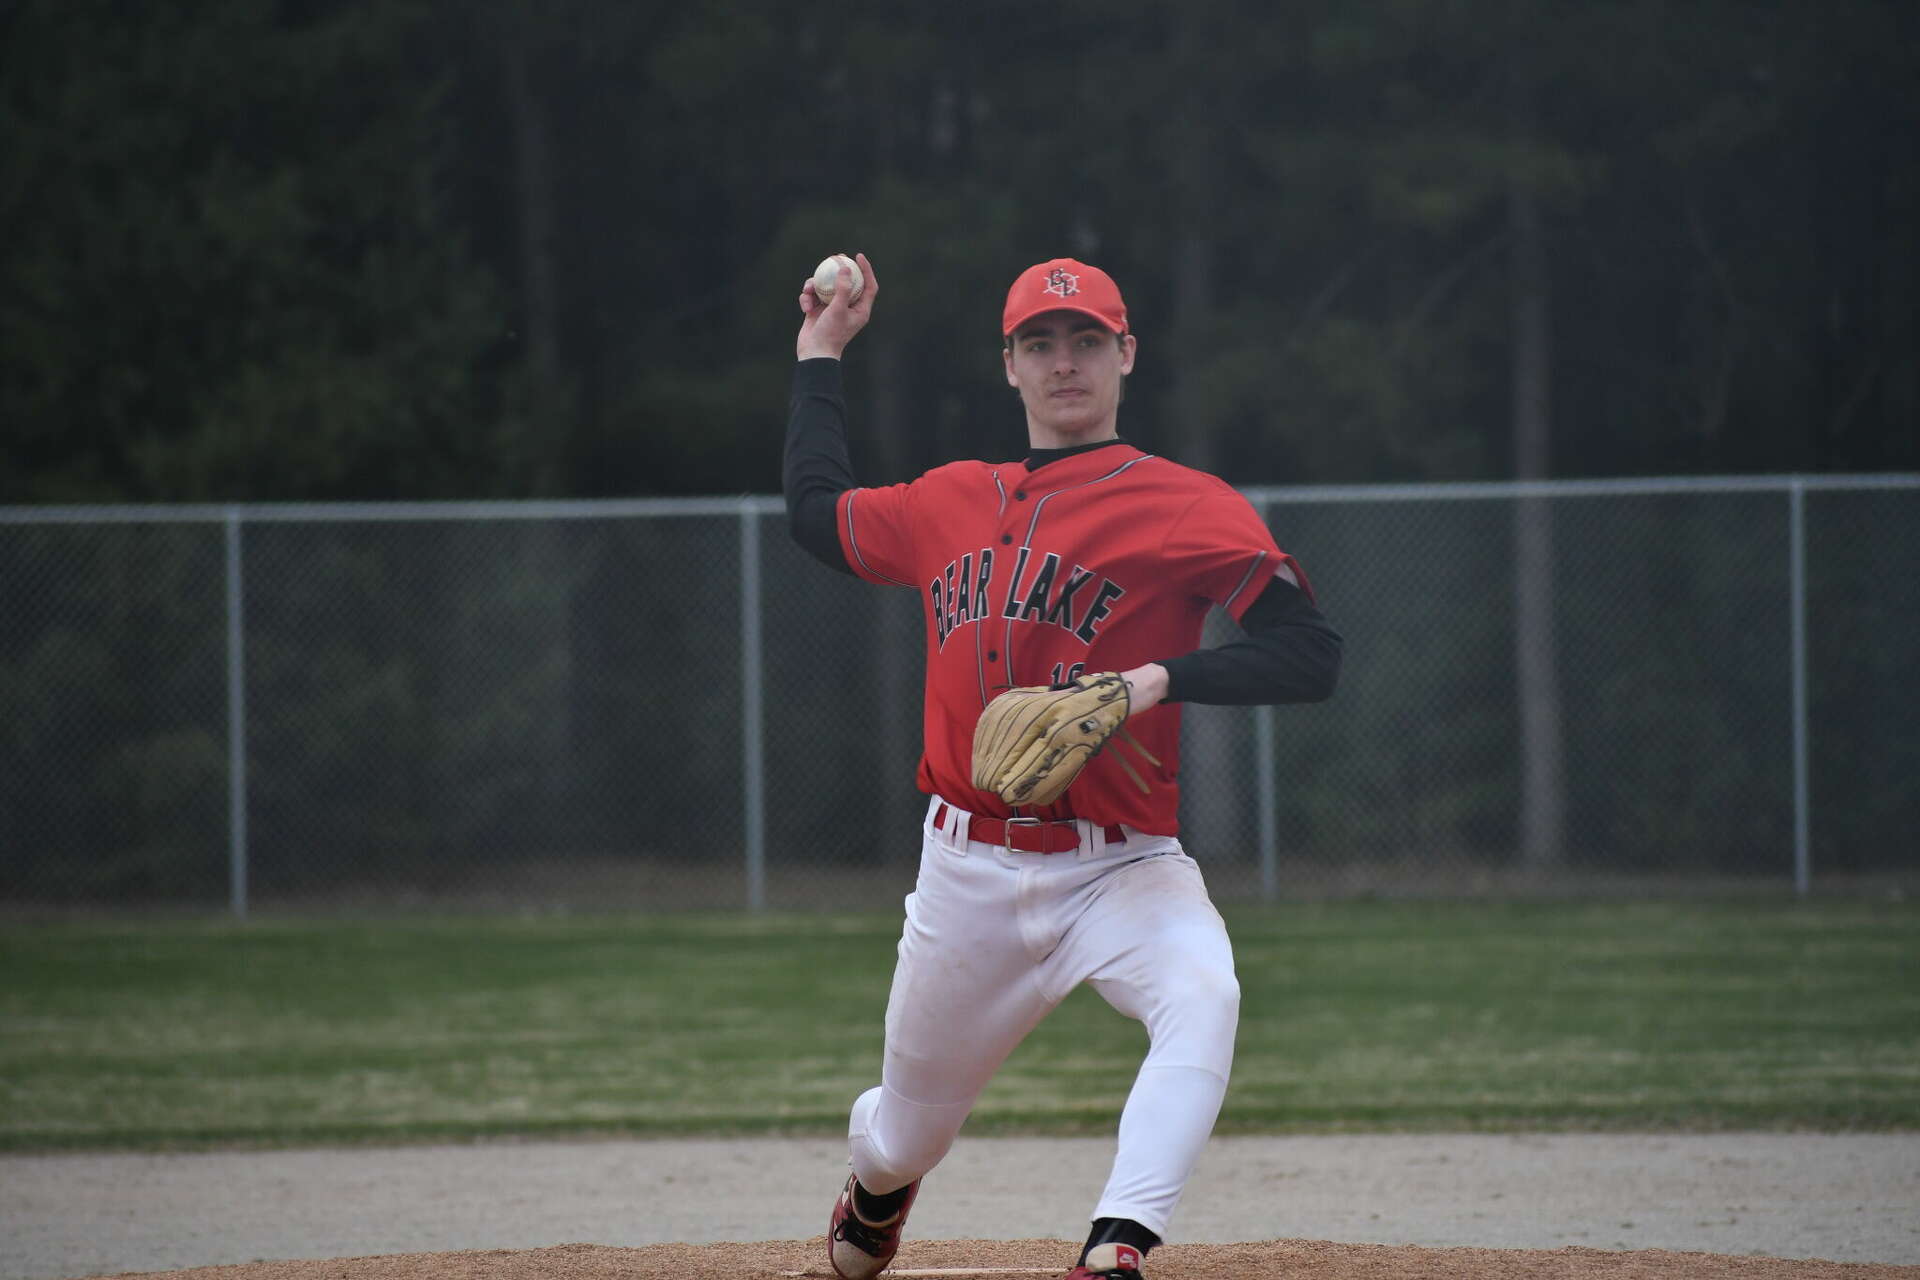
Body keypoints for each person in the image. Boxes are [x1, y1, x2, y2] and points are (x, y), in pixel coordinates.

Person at [783, 253, 1342, 1280]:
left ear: (1126, 353)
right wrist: (822, 351)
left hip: (1121, 865)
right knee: (902, 1133)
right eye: (1040, 343)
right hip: (966, 874)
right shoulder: (950, 499)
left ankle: (1118, 1241)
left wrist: (1153, 681)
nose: (1064, 361)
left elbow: (1312, 653)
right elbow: (816, 510)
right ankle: (877, 1188)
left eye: (1086, 339)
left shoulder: (1184, 503)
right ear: (1010, 366)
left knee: (1204, 990)